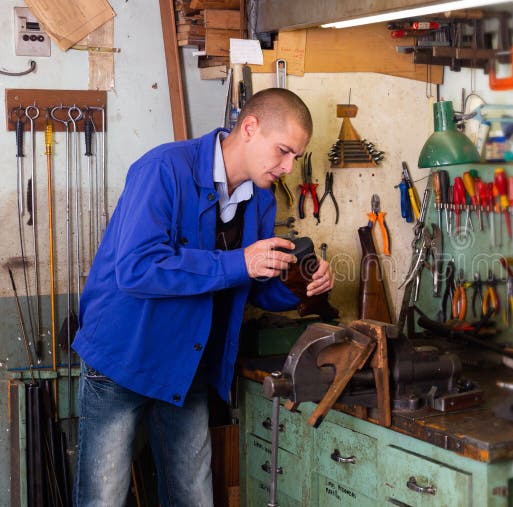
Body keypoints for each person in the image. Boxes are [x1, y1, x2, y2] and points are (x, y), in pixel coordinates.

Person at [71, 88, 332, 506]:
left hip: (186, 367)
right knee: (103, 498)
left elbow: (253, 282)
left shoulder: (260, 199)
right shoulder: (163, 169)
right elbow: (137, 268)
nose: (287, 167)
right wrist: (239, 264)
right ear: (250, 127)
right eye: (283, 151)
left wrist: (304, 287)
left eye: (295, 158)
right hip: (122, 360)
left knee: (192, 496)